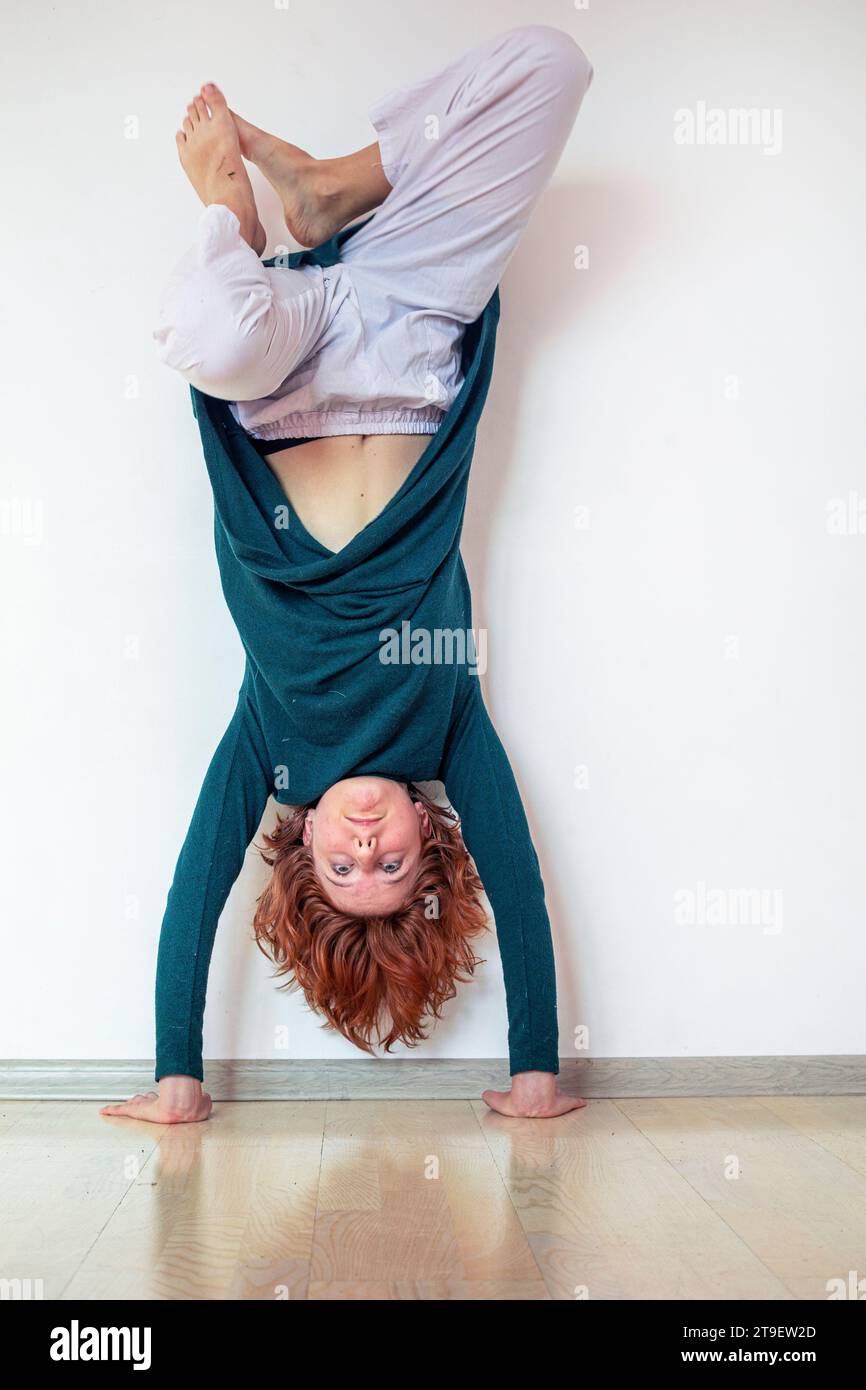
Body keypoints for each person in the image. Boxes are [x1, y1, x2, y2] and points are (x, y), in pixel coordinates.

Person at [101, 24, 594, 1126]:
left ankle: (239, 220)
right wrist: (534, 1074)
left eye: (341, 868)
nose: (364, 845)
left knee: (201, 325)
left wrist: (177, 1075)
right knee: (550, 68)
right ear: (430, 843)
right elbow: (518, 891)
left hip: (279, 380)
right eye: (391, 868)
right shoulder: (448, 736)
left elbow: (192, 892)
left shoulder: (267, 751)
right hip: (409, 337)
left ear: (299, 856)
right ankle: (332, 188)